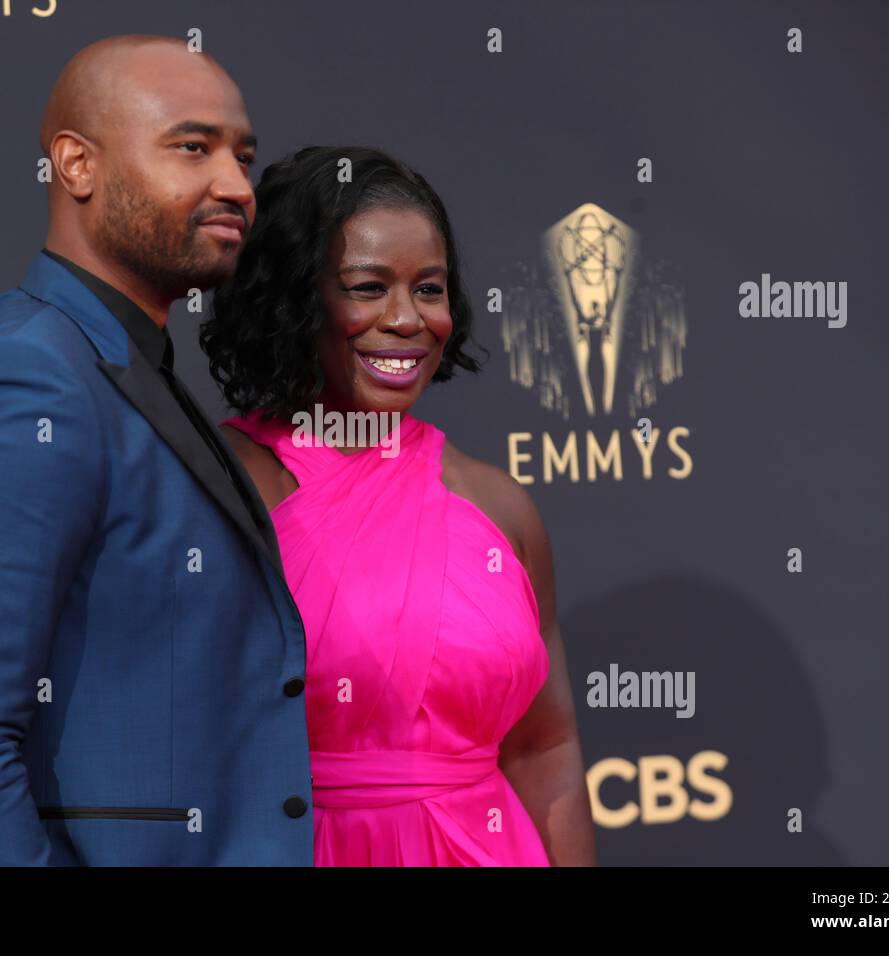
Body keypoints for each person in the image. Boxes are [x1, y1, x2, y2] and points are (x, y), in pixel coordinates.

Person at [0, 36, 316, 865]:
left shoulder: (122, 361)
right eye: (193, 147)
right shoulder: (32, 378)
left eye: (243, 157)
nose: (234, 186)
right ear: (77, 166)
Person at [202, 146, 597, 865]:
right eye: (368, 286)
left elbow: (546, 745)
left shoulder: (499, 506)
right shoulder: (219, 489)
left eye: (430, 289)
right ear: (294, 298)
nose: (408, 320)